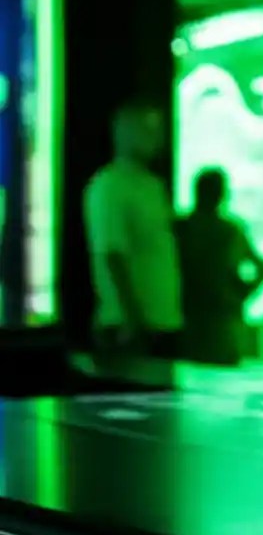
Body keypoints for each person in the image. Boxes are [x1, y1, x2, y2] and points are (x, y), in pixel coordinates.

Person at [84, 99, 183, 367]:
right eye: (148, 130)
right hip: (128, 327)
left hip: (164, 321)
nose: (157, 138)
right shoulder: (109, 185)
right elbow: (112, 253)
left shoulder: (153, 186)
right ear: (124, 132)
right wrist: (132, 318)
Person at [174, 169, 263, 365]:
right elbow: (262, 267)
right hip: (219, 317)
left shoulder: (181, 228)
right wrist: (241, 294)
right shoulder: (229, 230)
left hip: (189, 316)